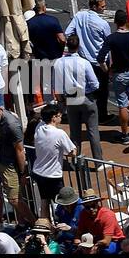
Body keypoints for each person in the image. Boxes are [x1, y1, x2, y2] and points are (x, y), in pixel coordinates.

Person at [53, 34, 101, 163]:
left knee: (74, 132)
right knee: (93, 131)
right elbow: (95, 84)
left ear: (67, 46)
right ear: (78, 46)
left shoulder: (59, 62)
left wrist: (61, 98)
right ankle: (98, 161)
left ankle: (75, 160)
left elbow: (56, 84)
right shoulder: (84, 62)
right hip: (85, 97)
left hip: (70, 99)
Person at [95, 11, 129, 146]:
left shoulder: (112, 38)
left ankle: (125, 135)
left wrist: (107, 70)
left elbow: (100, 58)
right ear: (127, 21)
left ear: (115, 22)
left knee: (122, 104)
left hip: (120, 74)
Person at [0, 101, 31, 225]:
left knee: (14, 199)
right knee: (17, 197)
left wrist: (23, 172)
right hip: (5, 162)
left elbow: (20, 150)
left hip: (12, 165)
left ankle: (34, 223)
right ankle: (22, 223)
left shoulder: (11, 124)